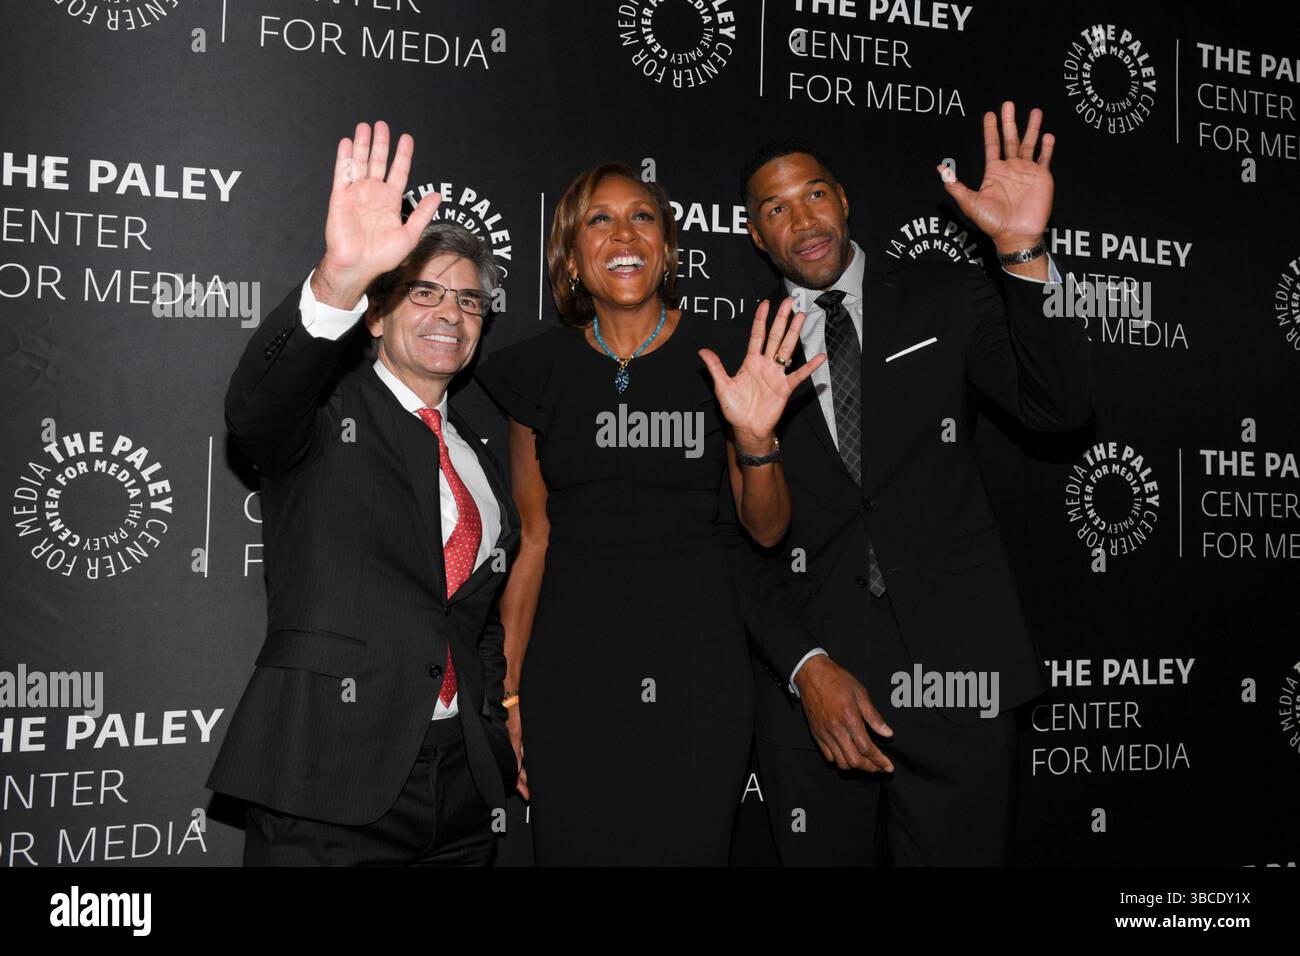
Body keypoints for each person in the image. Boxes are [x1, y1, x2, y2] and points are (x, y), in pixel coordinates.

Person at [738, 103, 1093, 865]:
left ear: (843, 199)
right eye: (775, 207)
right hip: (816, 694)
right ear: (756, 235)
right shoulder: (741, 351)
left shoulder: (946, 294)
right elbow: (738, 542)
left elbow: (1061, 406)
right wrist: (806, 667)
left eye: (814, 193)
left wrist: (1024, 248)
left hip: (959, 675)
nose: (802, 217)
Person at [474, 162, 823, 865]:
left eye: (643, 217)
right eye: (599, 220)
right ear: (571, 256)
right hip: (570, 673)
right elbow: (534, 538)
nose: (624, 233)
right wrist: (509, 696)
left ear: (666, 246)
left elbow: (767, 530)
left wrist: (757, 444)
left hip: (698, 672)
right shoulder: (534, 370)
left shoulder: (725, 357)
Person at [206, 121, 519, 865]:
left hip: (462, 788)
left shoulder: (478, 451)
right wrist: (339, 279)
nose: (451, 313)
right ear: (375, 315)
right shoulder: (325, 412)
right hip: (327, 780)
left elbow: (472, 616)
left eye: (470, 303)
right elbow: (256, 412)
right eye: (426, 293)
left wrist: (495, 720)